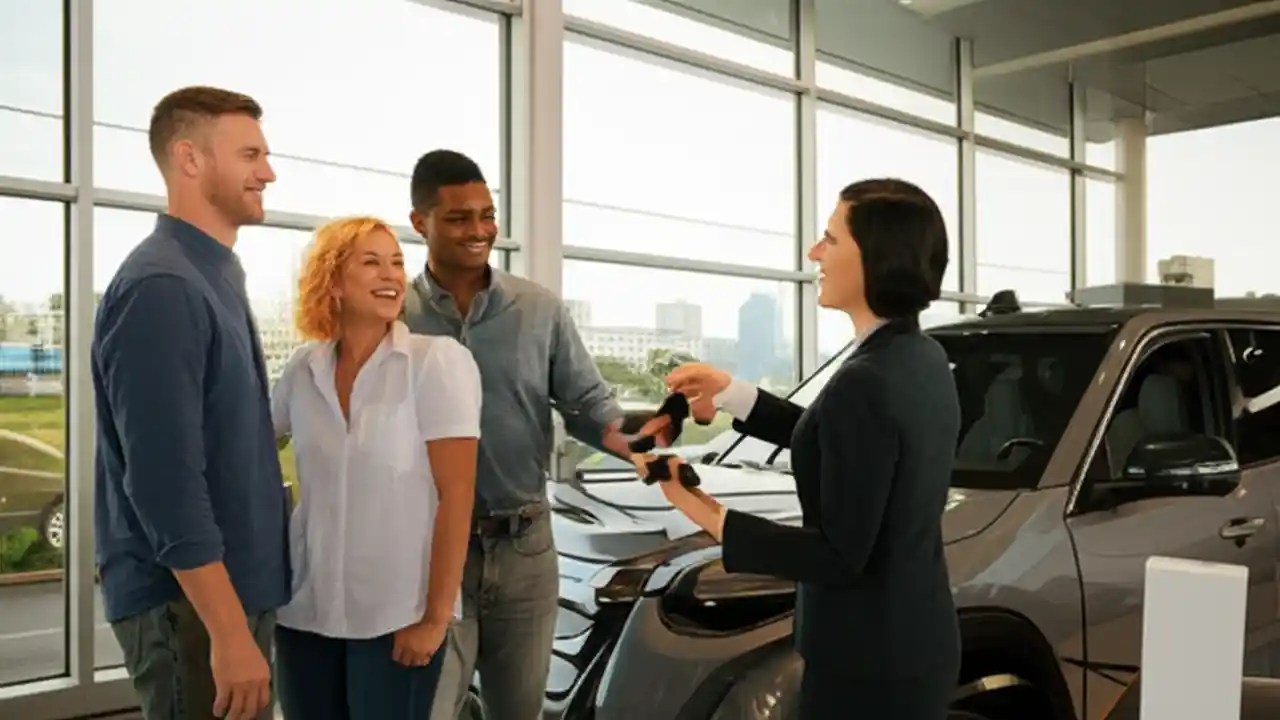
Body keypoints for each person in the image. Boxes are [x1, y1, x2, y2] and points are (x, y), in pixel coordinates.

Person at [647, 178, 961, 719]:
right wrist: (733, 394)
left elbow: (838, 555)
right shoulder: (918, 357)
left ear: (878, 259)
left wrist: (703, 509)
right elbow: (843, 442)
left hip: (866, 665)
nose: (814, 253)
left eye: (830, 239)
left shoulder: (867, 380)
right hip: (912, 639)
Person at [398, 149, 632, 720]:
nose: (479, 231)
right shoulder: (393, 313)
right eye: (458, 218)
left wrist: (641, 443)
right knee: (429, 709)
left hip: (525, 546)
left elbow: (587, 408)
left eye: (487, 214)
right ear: (419, 222)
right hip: (425, 550)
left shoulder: (539, 309)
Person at [91, 85, 289, 720]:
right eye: (251, 154)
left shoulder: (214, 273)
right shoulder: (164, 287)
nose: (269, 172)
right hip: (193, 612)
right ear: (190, 159)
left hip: (225, 600)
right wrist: (229, 634)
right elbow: (164, 482)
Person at [269, 216, 481, 719]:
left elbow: (458, 494)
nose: (390, 275)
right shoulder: (304, 368)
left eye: (396, 263)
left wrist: (433, 619)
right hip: (306, 612)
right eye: (371, 262)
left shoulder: (436, 363)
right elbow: (250, 449)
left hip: (396, 618)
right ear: (333, 281)